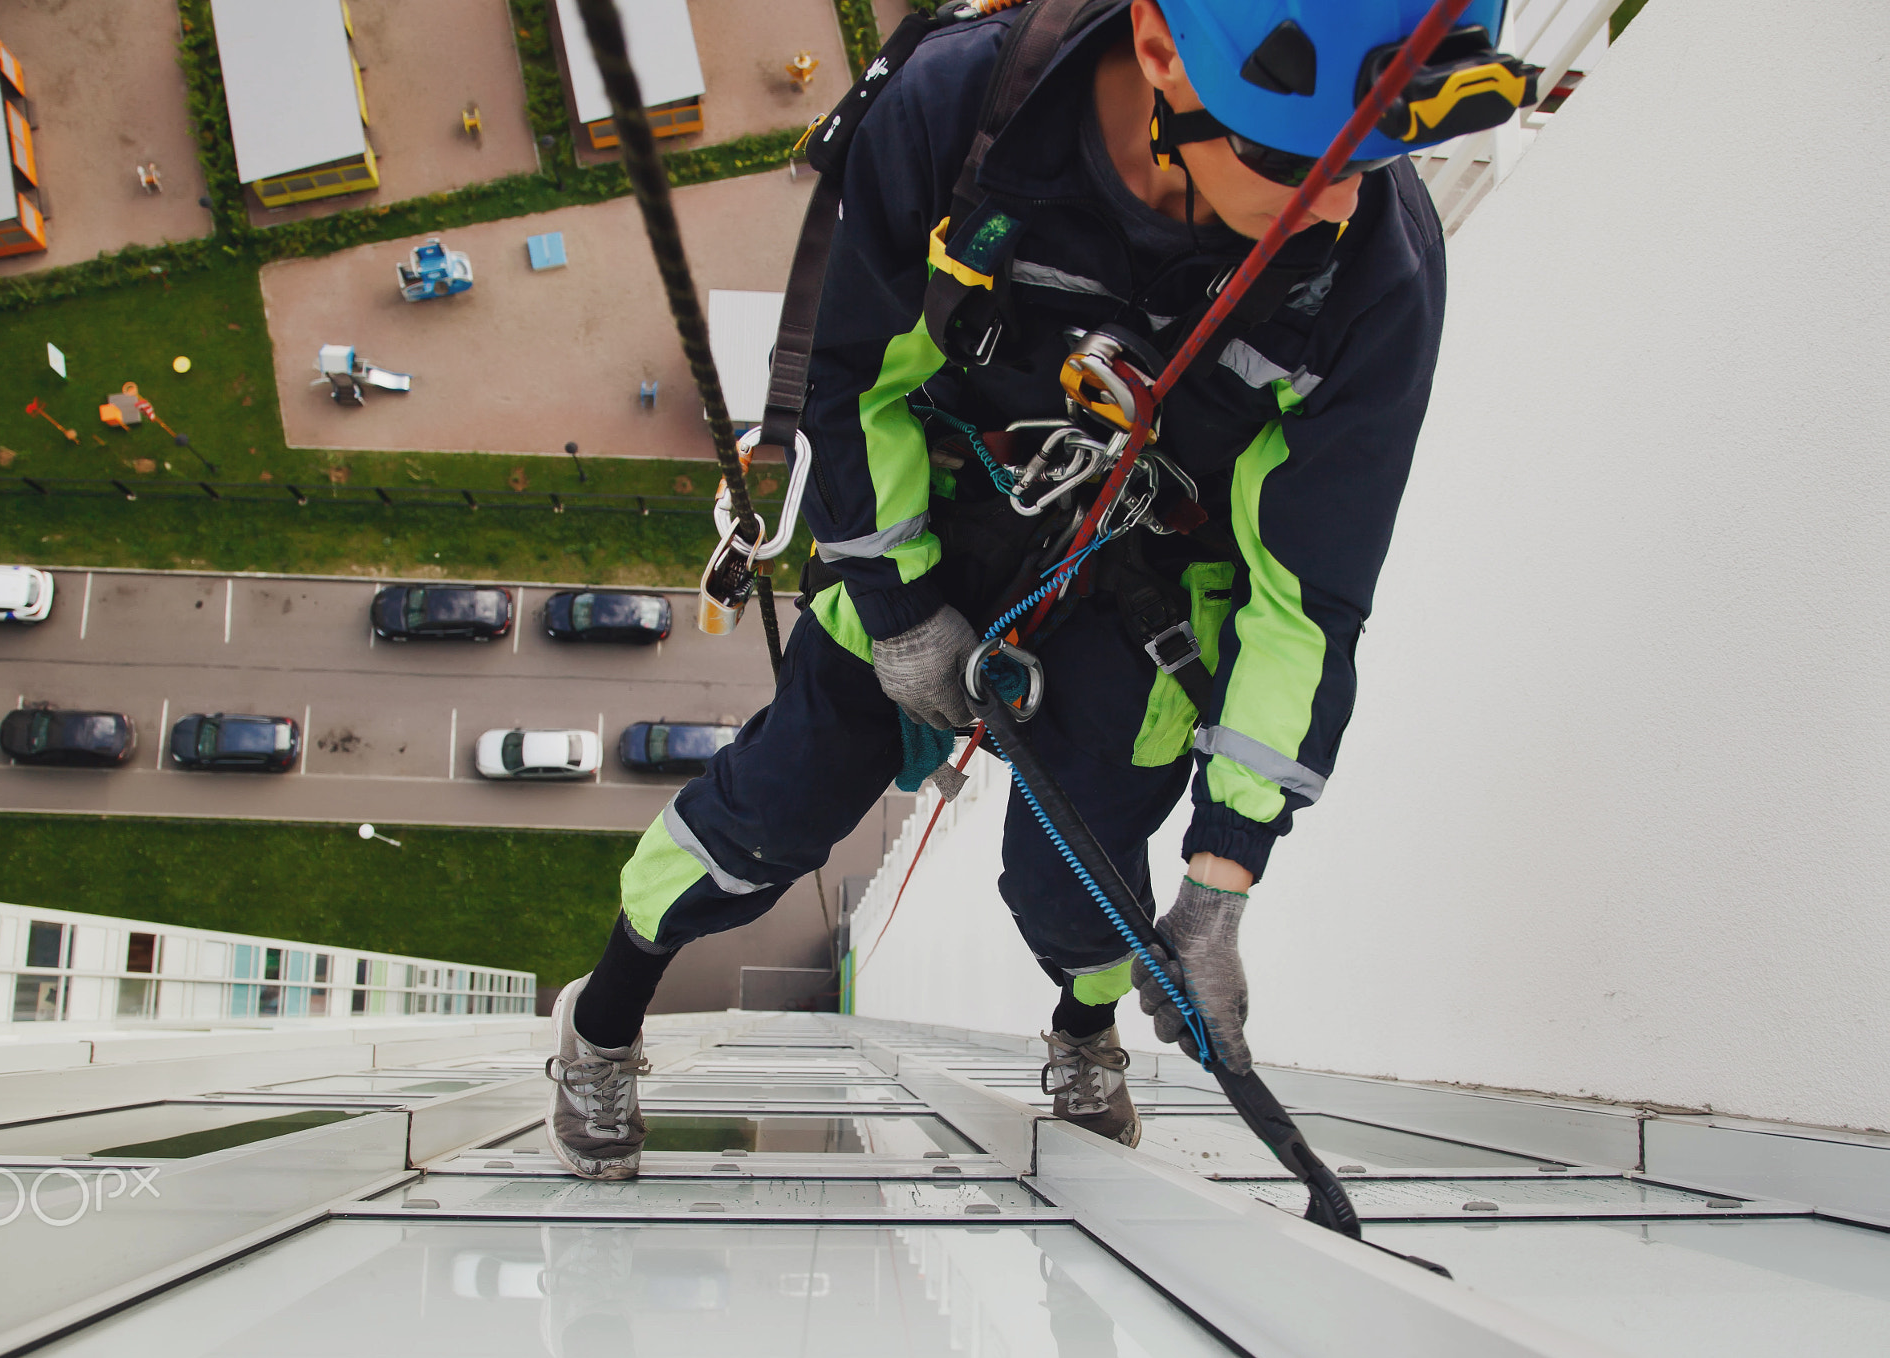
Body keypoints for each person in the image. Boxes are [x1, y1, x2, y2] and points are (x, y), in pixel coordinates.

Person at [544, 0, 1528, 1178]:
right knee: (775, 809)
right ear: (1159, 50)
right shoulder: (965, 117)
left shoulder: (1373, 271)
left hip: (1149, 583)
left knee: (1078, 893)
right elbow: (849, 383)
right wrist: (901, 609)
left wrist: (1221, 881)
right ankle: (601, 1018)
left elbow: (1305, 595)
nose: (1338, 206)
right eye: (1290, 163)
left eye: (1374, 163)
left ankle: (1083, 1031)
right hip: (930, 526)